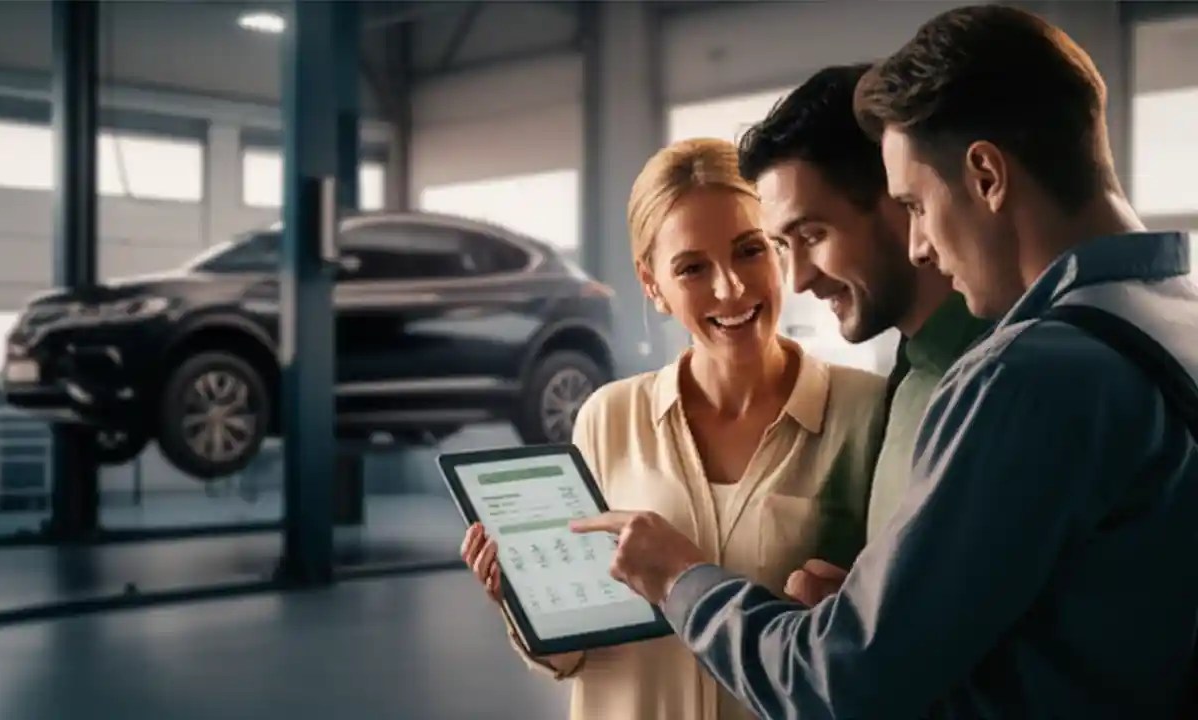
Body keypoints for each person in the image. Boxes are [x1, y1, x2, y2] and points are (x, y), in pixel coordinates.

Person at [571, 5, 1198, 718]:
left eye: (915, 205)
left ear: (986, 175)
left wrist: (682, 579)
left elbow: (840, 682)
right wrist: (885, 616)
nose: (919, 243)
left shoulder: (1024, 374)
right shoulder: (1172, 319)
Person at [459, 137, 889, 720]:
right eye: (692, 268)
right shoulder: (608, 418)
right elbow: (573, 655)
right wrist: (522, 599)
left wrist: (852, 617)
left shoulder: (866, 411)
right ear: (653, 285)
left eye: (749, 251)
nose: (730, 288)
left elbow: (889, 644)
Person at [732, 63, 993, 606]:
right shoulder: (909, 376)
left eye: (813, 234)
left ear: (901, 199)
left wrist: (681, 582)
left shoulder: (995, 379)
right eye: (781, 246)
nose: (797, 279)